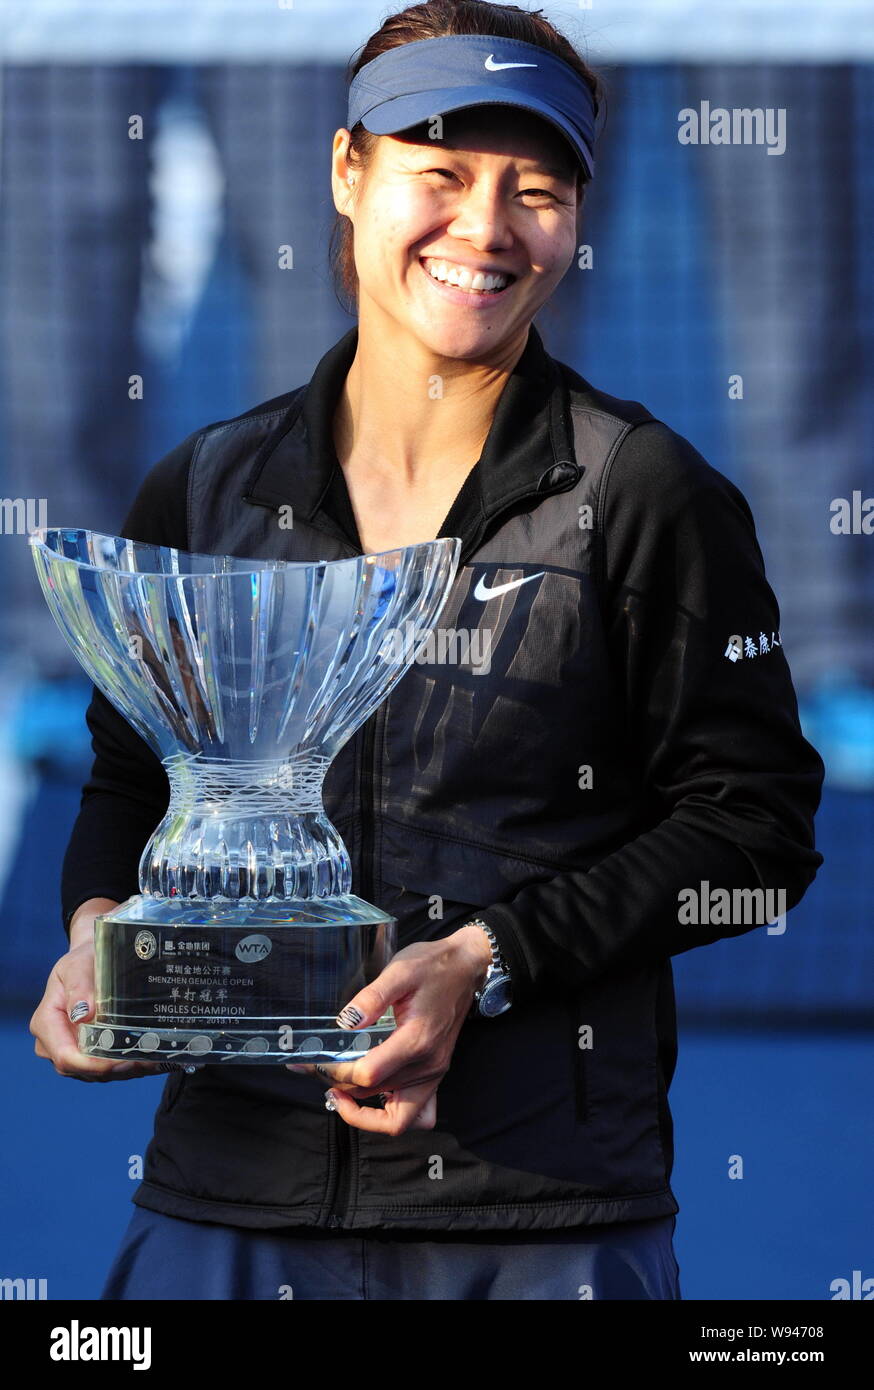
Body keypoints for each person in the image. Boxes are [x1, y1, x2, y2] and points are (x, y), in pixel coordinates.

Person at [29, 0, 824, 1301]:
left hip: (542, 1220)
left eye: (536, 188)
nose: (487, 227)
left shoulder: (646, 495)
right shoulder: (208, 484)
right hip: (217, 1203)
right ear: (348, 173)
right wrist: (99, 932)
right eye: (440, 173)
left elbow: (755, 830)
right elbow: (132, 778)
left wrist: (482, 960)